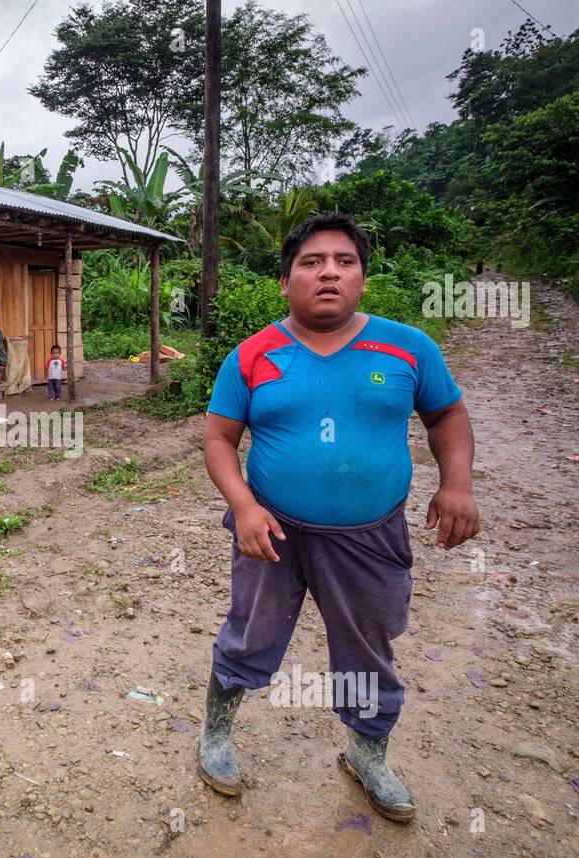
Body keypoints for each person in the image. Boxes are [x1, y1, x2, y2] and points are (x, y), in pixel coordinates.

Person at [200, 211, 479, 824]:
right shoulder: (252, 355)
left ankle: (367, 753)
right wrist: (243, 505)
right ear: (285, 280)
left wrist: (456, 482)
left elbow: (448, 418)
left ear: (362, 278)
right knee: (250, 635)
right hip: (271, 535)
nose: (328, 271)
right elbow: (219, 438)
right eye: (311, 262)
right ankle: (216, 736)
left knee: (367, 647)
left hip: (370, 534)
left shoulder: (409, 347)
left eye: (344, 261)